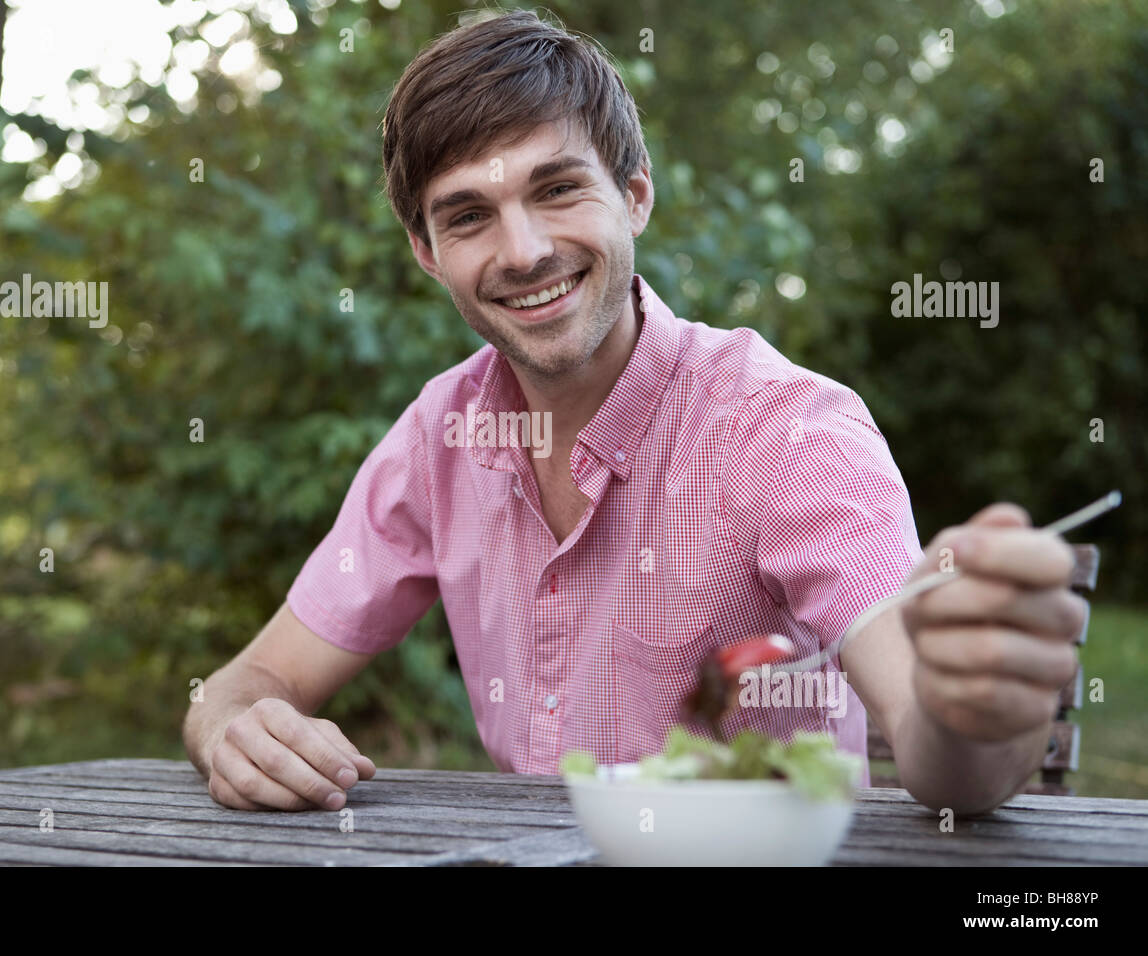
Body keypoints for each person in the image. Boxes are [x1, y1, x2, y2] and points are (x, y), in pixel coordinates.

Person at [182, 9, 1086, 817]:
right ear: (426, 251)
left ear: (636, 195)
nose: (525, 250)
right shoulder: (441, 434)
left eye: (558, 189)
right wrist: (232, 724)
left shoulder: (787, 431)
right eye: (468, 217)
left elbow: (936, 739)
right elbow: (252, 678)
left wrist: (977, 718)